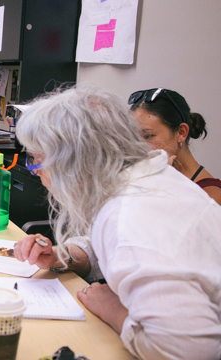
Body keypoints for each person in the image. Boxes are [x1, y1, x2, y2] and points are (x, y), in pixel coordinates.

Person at [12, 86, 221, 359]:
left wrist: (114, 309)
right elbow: (113, 248)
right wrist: (62, 256)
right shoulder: (147, 180)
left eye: (36, 161)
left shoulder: (131, 216)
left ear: (73, 162)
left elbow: (187, 351)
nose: (37, 172)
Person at [129, 88, 221, 205]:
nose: (138, 146)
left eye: (147, 136)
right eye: (133, 137)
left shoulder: (210, 196)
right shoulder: (144, 178)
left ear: (181, 132)